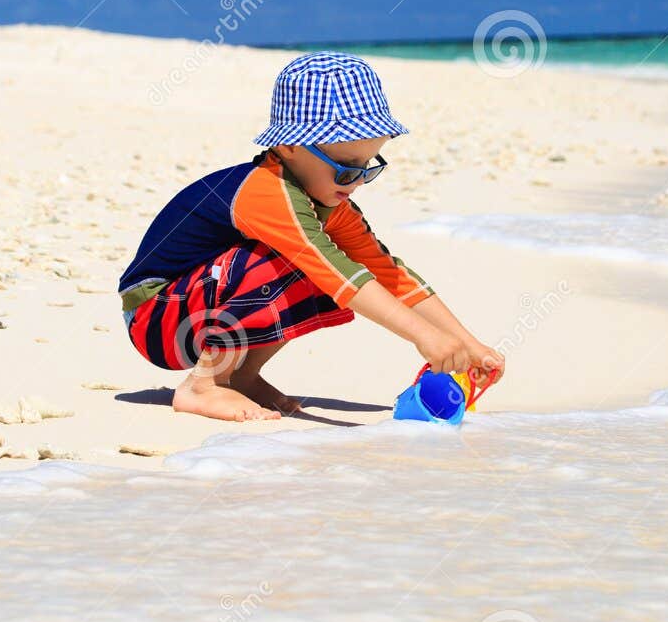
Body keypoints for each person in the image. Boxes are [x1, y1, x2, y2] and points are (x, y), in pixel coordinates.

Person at [119, 52, 505, 421]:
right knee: (312, 264)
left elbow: (388, 274)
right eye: (345, 168)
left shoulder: (330, 206)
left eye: (367, 168)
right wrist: (422, 337)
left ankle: (241, 376)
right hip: (156, 317)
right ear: (288, 146)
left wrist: (467, 343)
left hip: (197, 309)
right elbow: (338, 275)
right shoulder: (265, 192)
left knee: (339, 269)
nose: (355, 182)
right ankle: (204, 385)